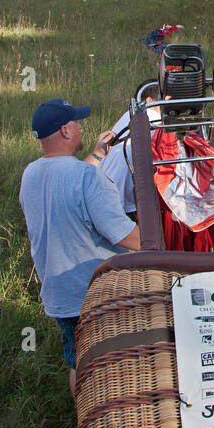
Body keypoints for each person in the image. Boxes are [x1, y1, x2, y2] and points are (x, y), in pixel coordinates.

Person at [19, 99, 141, 396]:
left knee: (78, 361)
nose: (80, 125)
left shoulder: (31, 174)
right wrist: (167, 246)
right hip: (97, 293)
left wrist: (98, 154)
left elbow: (68, 182)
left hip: (61, 292)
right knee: (112, 364)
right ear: (64, 131)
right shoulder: (88, 179)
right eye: (75, 122)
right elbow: (127, 237)